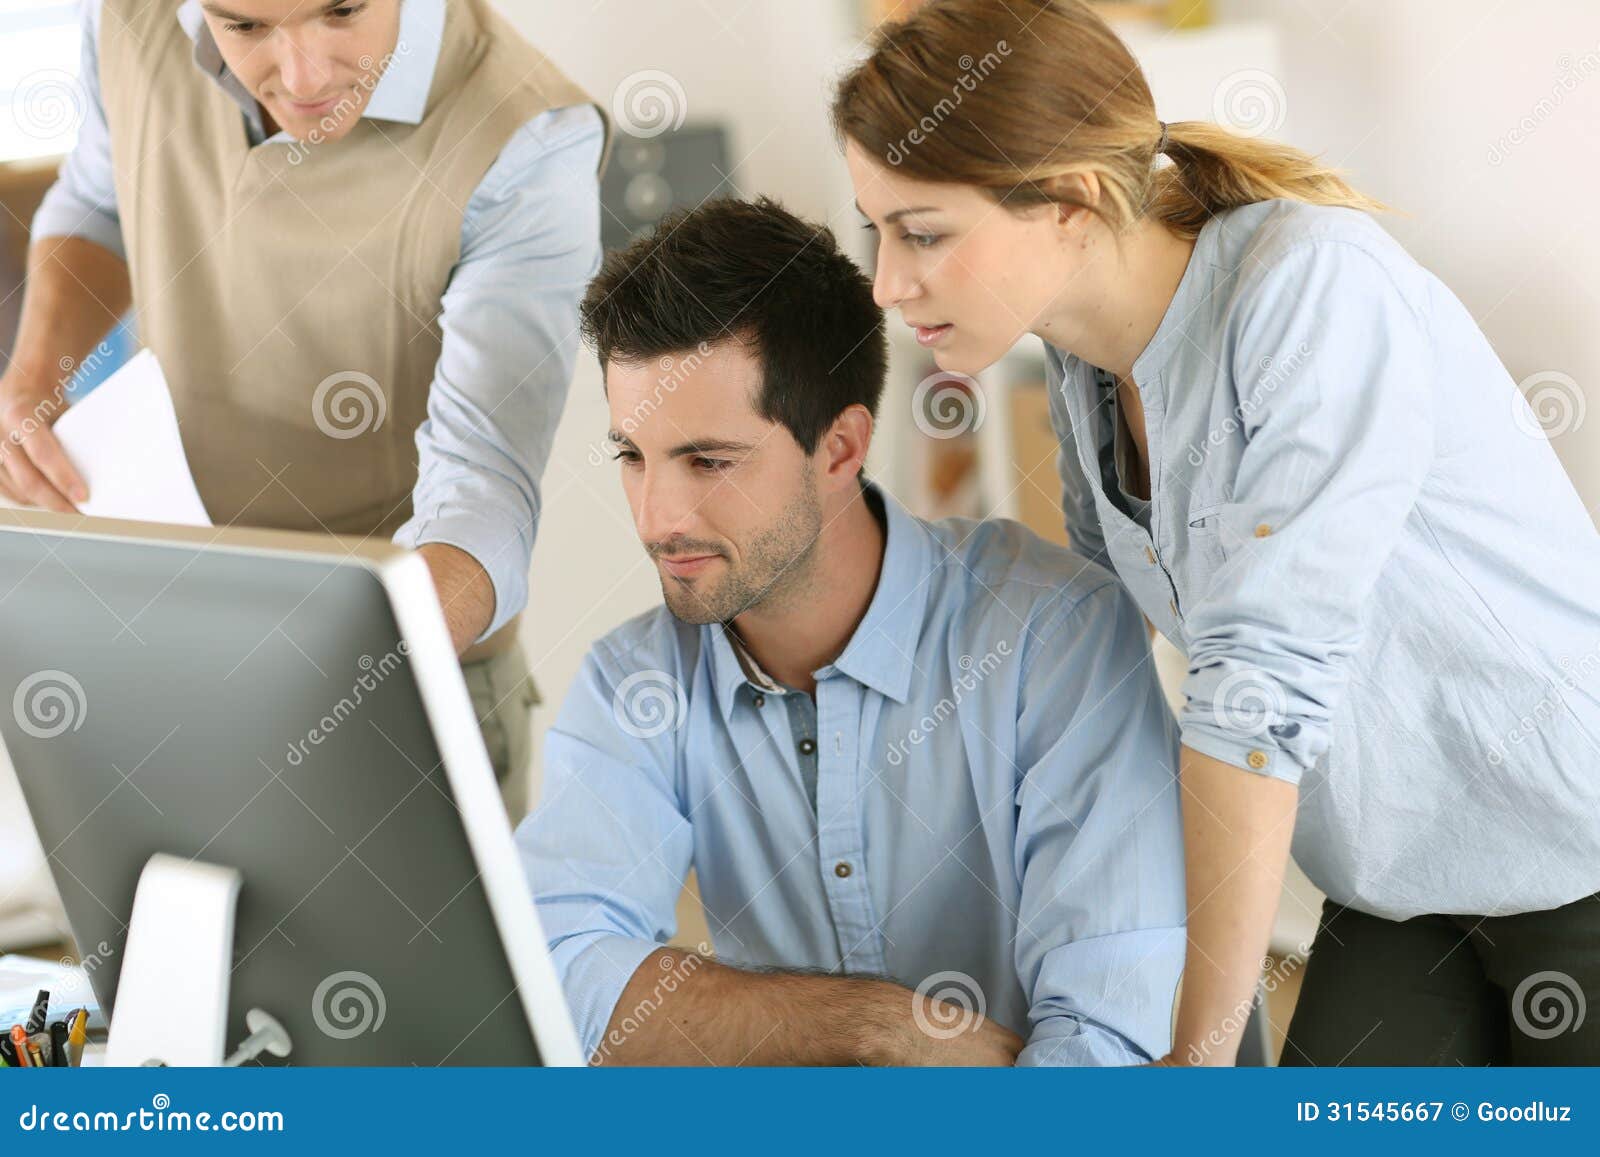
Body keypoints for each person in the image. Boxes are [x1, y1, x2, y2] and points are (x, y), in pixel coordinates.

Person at [833, 0, 1600, 1065]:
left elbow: (1253, 694)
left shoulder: (1308, 287)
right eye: (876, 228)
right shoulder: (1085, 367)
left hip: (1572, 843)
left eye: (923, 232)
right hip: (1393, 881)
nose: (886, 280)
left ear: (1071, 199)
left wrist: (1191, 1069)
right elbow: (1108, 676)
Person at [516, 196, 1186, 1066]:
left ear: (839, 449)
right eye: (633, 457)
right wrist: (882, 1028)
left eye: (708, 461)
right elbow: (557, 968)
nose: (657, 517)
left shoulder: (1054, 636)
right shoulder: (634, 681)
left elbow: (1111, 1049)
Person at [0, 0, 609, 818]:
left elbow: (484, 506)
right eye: (244, 26)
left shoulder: (527, 140)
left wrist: (319, 684)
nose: (302, 76)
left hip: (402, 680)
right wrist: (35, 375)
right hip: (165, 642)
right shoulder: (126, 18)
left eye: (342, 11)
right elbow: (101, 200)